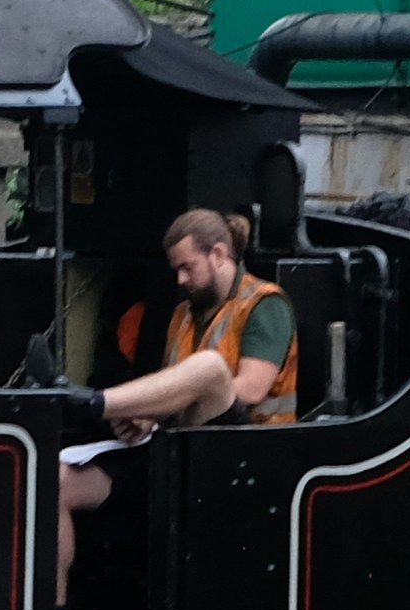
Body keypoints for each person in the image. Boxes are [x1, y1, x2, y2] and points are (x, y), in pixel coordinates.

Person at [56, 205, 298, 588]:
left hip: (245, 455)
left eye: (189, 267)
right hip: (177, 453)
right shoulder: (182, 314)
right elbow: (173, 387)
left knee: (211, 369)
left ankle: (89, 401)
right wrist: (147, 416)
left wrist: (150, 407)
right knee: (59, 482)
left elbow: (250, 388)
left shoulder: (266, 305)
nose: (181, 278)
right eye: (177, 270)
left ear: (218, 254)